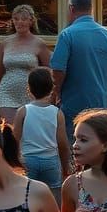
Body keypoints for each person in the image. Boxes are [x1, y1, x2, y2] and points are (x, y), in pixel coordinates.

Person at [51, 0, 107, 144]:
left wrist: (57, 91)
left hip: (73, 105)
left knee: (75, 146)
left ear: (71, 9)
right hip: (100, 104)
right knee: (99, 144)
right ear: (92, 8)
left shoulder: (67, 35)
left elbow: (58, 70)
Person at [14, 66, 70, 194]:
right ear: (52, 89)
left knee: (26, 195)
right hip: (51, 160)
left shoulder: (23, 111)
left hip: (28, 160)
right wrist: (65, 169)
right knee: (53, 195)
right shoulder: (57, 113)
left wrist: (15, 163)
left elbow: (14, 140)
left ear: (29, 89)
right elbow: (63, 144)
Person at [0, 4, 51, 123]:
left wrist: (48, 95)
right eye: (16, 19)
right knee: (10, 129)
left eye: (24, 19)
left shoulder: (39, 43)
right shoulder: (5, 43)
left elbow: (48, 70)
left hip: (31, 93)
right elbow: (0, 71)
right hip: (7, 93)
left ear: (31, 21)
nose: (19, 22)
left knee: (28, 128)